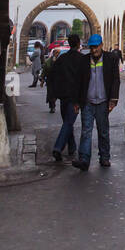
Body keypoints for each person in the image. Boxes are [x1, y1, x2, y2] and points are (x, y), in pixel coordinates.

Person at [74, 33, 121, 172]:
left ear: (101, 45)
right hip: (87, 102)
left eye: (96, 47)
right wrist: (76, 101)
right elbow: (78, 82)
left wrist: (113, 100)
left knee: (103, 131)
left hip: (103, 102)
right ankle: (84, 159)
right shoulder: (83, 61)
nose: (94, 50)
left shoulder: (111, 59)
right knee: (86, 131)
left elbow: (115, 80)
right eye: (91, 48)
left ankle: (105, 157)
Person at [48, 34, 86, 162]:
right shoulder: (82, 59)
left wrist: (54, 92)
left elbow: (52, 74)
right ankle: (58, 147)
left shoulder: (62, 59)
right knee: (68, 122)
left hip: (63, 96)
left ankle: (72, 147)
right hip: (75, 97)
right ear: (79, 43)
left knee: (67, 121)